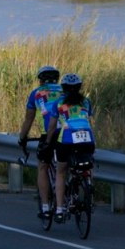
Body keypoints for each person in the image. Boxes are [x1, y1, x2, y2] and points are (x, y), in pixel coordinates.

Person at [44, 73, 95, 224]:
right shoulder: (86, 102)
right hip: (87, 139)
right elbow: (90, 122)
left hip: (66, 140)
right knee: (87, 165)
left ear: (63, 88)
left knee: (61, 172)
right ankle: (89, 189)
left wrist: (47, 142)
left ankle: (59, 209)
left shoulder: (59, 102)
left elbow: (52, 126)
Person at [17, 65, 62, 219]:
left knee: (43, 166)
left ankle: (45, 207)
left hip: (48, 134)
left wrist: (22, 137)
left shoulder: (36, 94)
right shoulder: (65, 91)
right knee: (65, 165)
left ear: (41, 80)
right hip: (68, 133)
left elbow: (29, 118)